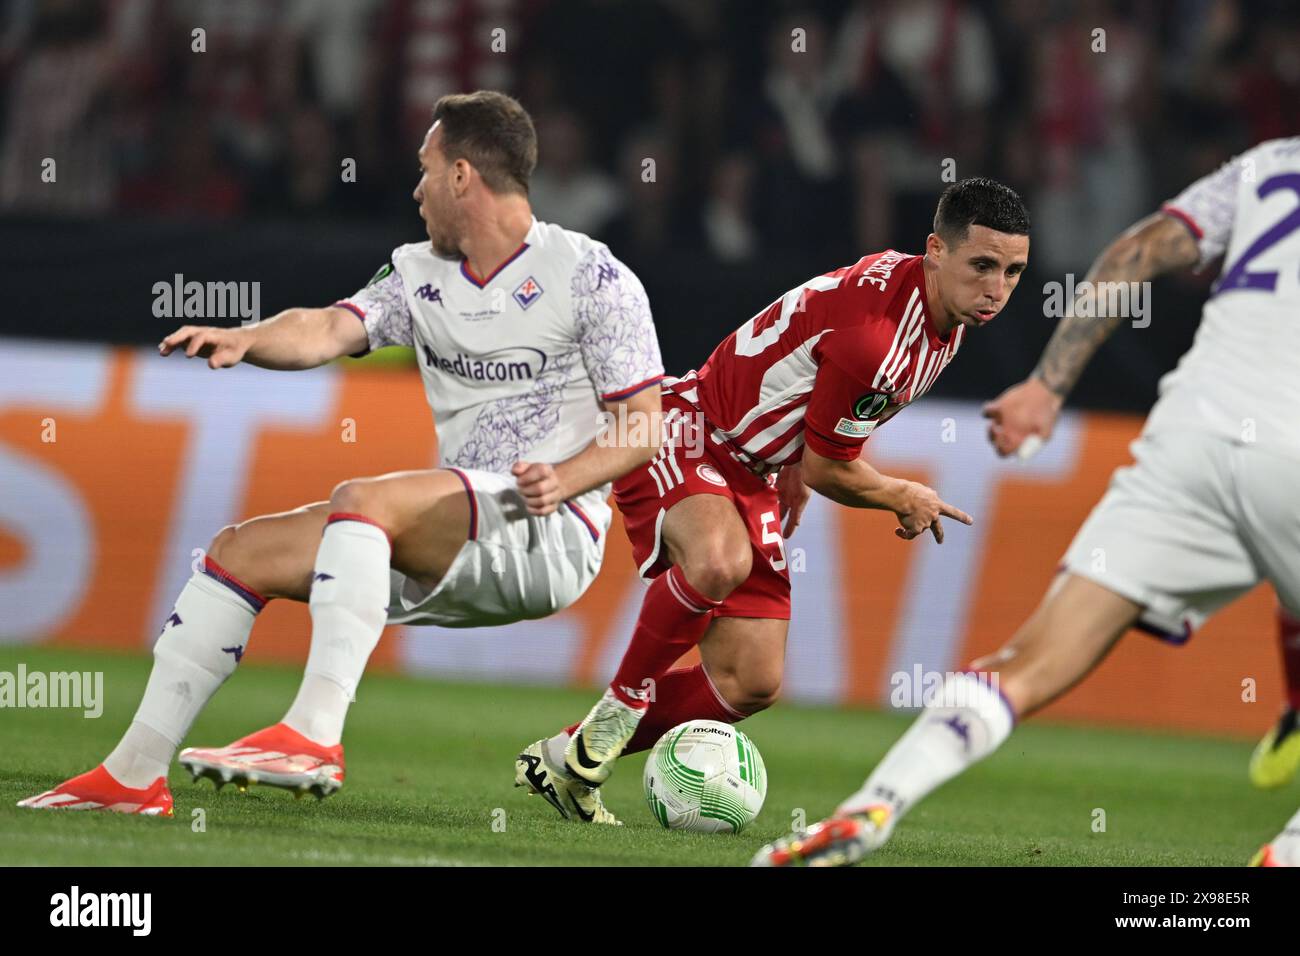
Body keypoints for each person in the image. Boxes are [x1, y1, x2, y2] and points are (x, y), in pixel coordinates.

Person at [19, 91, 664, 826]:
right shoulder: (420, 274)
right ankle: (132, 774)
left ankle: (315, 735)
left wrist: (567, 477)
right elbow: (330, 327)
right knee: (240, 551)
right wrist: (246, 338)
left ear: (462, 176)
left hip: (548, 532)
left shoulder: (591, 275)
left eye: (425, 171)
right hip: (459, 530)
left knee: (364, 498)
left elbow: (642, 427)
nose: (415, 190)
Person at [753, 137, 1300, 867]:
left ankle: (872, 805)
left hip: (1190, 433)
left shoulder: (1273, 164)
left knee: (1024, 664)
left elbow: (1137, 252)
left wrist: (1048, 384)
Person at [514, 179, 1031, 821]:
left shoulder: (928, 310)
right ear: (935, 250)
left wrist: (793, 457)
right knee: (717, 561)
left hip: (754, 464)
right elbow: (830, 467)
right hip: (692, 428)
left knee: (752, 679)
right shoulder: (883, 340)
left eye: (1013, 272)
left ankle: (564, 759)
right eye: (982, 265)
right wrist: (902, 494)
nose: (997, 289)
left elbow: (816, 385)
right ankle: (616, 714)